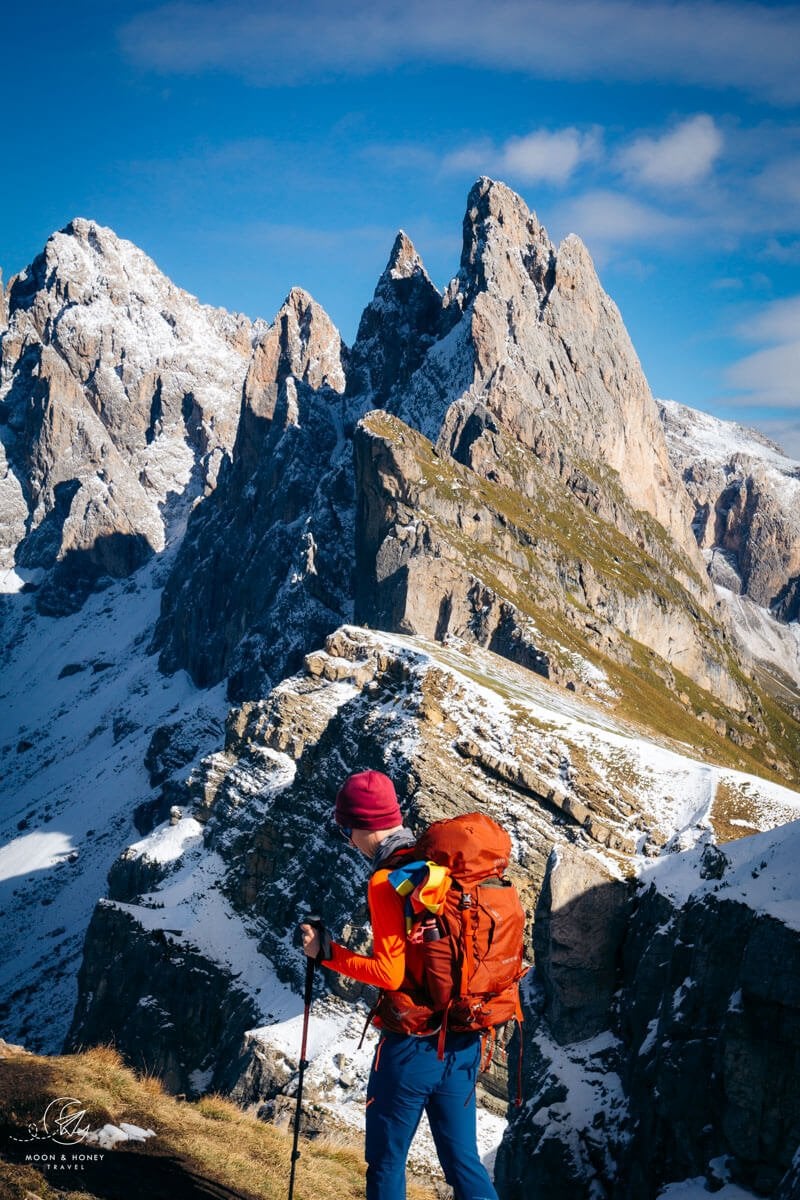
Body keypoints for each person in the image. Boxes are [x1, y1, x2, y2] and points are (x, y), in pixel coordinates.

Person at [301, 769, 499, 1200]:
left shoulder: (386, 881)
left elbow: (389, 974)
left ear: (359, 826)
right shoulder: (437, 868)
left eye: (346, 829)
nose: (348, 840)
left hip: (412, 1045)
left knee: (388, 1162)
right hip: (465, 1038)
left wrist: (326, 954)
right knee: (463, 1163)